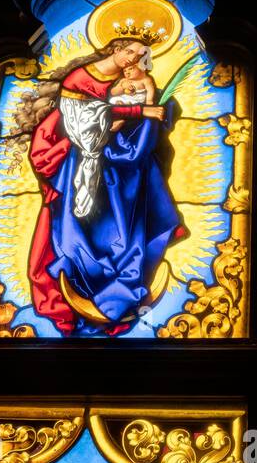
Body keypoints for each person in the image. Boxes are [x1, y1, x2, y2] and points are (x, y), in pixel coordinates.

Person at [26, 29, 187, 336]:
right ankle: (88, 285)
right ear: (117, 48)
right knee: (83, 222)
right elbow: (81, 120)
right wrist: (138, 110)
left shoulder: (139, 79)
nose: (135, 58)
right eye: (132, 51)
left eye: (141, 55)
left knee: (132, 221)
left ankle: (124, 286)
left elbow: (148, 113)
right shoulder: (79, 80)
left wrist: (148, 115)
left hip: (128, 164)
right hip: (85, 160)